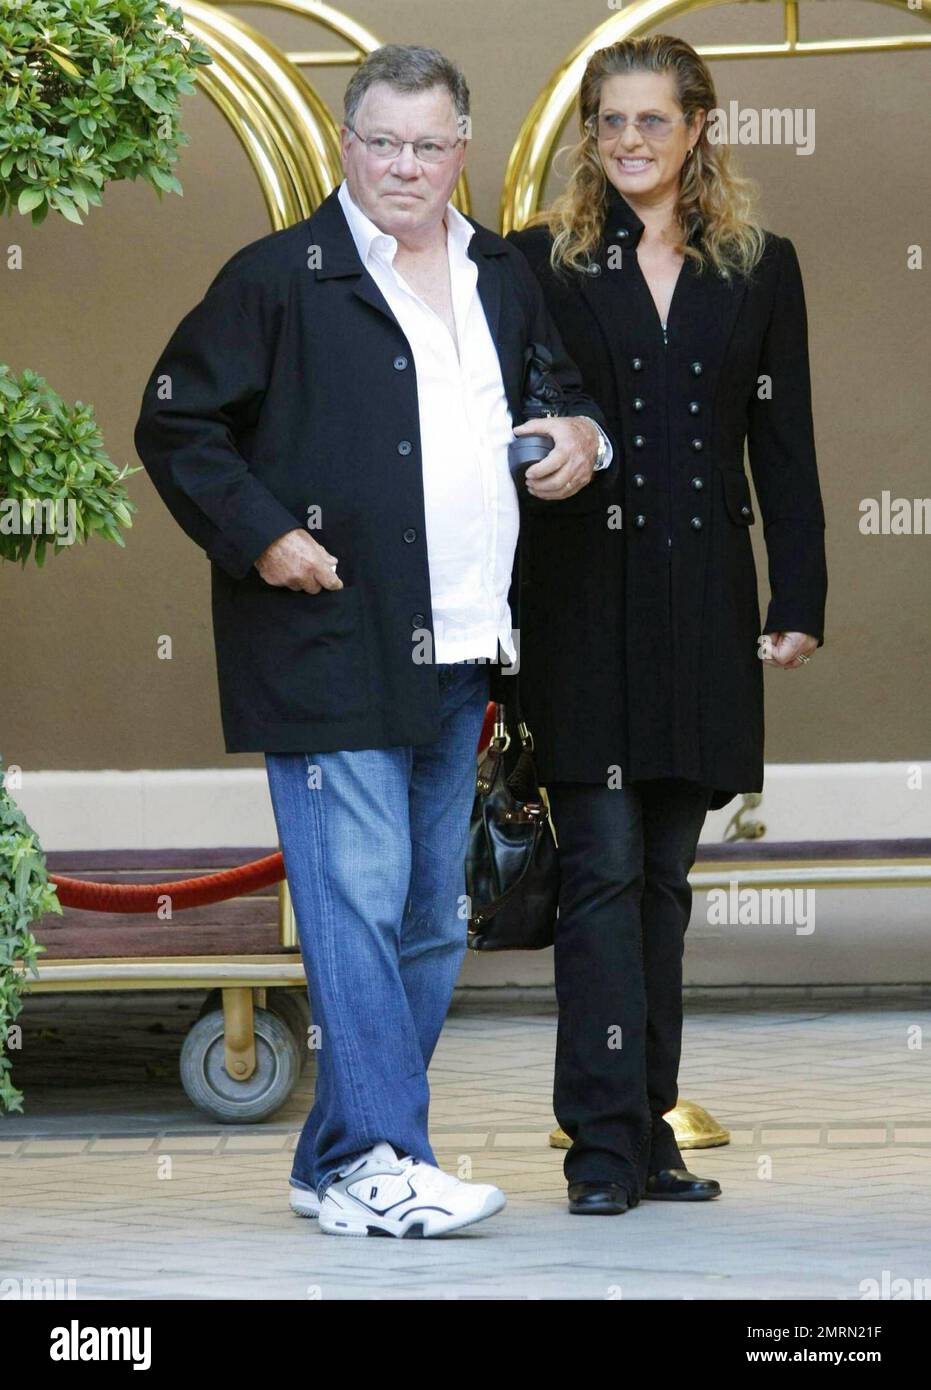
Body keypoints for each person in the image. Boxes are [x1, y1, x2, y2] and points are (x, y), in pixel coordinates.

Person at [134, 44, 612, 1238]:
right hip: (325, 640)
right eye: (383, 142)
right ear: (349, 147)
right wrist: (259, 539)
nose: (405, 165)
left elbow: (557, 395)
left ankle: (331, 1157)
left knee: (426, 921)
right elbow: (175, 418)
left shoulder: (499, 270)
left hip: (460, 644)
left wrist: (579, 441)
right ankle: (383, 1159)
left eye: (429, 143)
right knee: (352, 902)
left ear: (463, 149)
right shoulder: (278, 276)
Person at [507, 35, 827, 1216]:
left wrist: (798, 597)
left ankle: (649, 1134)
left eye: (652, 120)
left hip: (701, 603)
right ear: (588, 135)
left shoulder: (759, 265)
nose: (629, 142)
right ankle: (597, 1151)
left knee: (662, 880)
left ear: (699, 126)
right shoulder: (538, 262)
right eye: (609, 122)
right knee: (597, 869)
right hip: (579, 601)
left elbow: (781, 439)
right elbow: (512, 416)